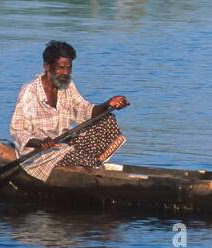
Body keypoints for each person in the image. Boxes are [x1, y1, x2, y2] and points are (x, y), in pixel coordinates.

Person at [9, 40, 129, 181]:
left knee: (106, 119)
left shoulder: (67, 85)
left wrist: (108, 104)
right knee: (91, 163)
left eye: (69, 68)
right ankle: (90, 163)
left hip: (64, 145)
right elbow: (17, 131)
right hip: (40, 155)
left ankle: (87, 161)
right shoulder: (29, 91)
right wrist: (40, 143)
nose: (65, 73)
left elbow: (84, 110)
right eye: (61, 68)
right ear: (47, 66)